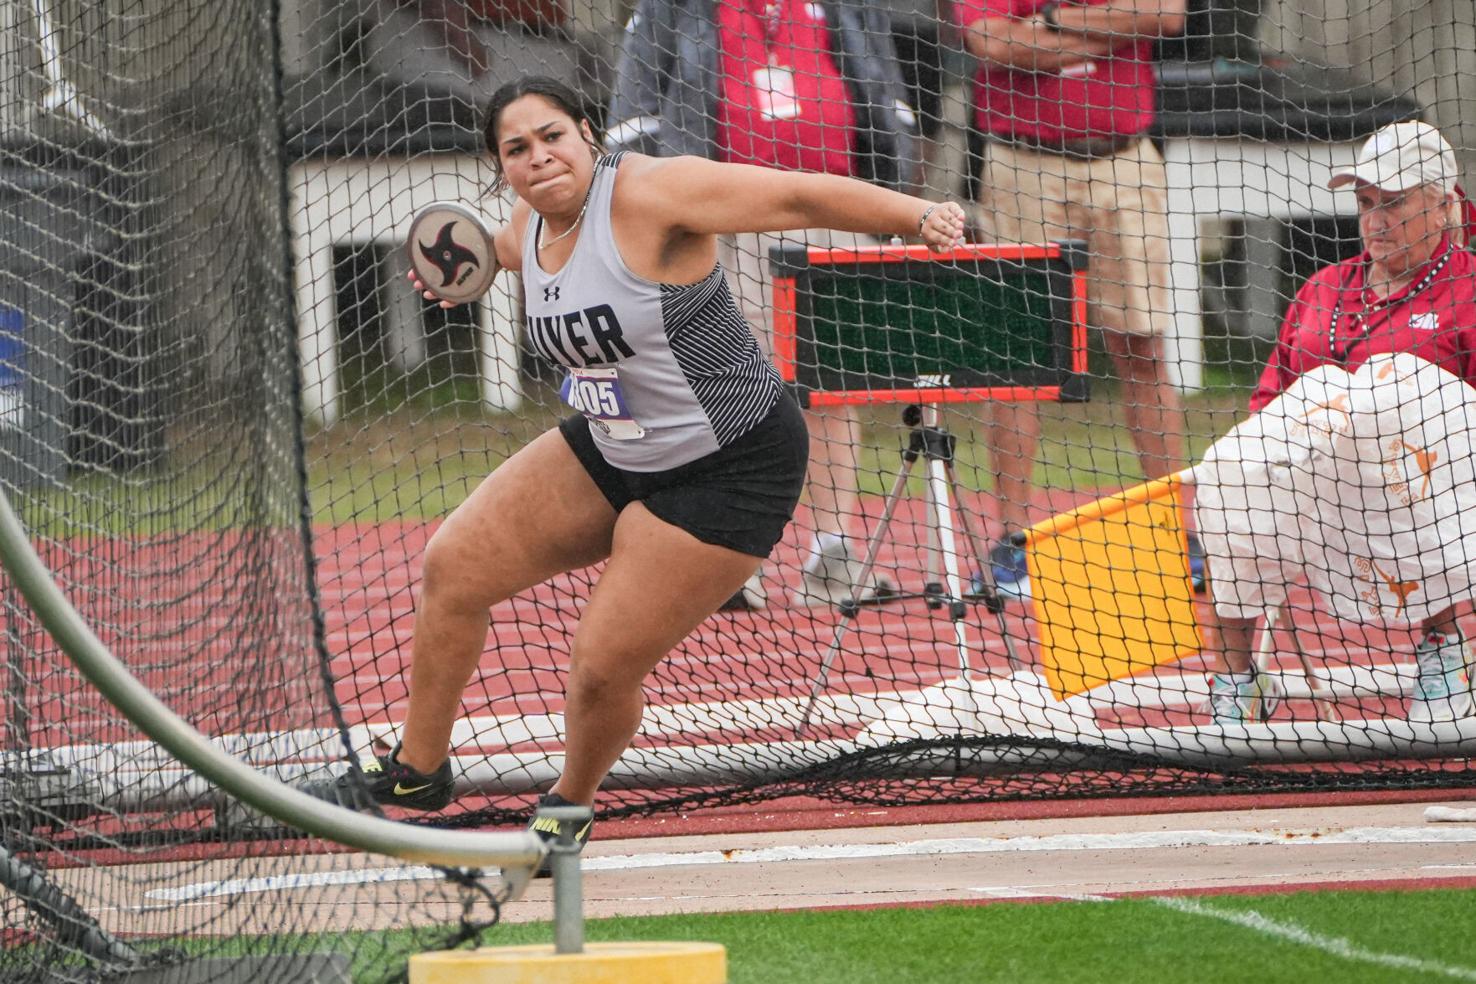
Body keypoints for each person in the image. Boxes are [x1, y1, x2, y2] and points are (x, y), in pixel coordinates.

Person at [301, 77, 968, 855]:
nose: (539, 157)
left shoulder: (656, 192)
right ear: (500, 167)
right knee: (453, 568)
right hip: (617, 442)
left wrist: (916, 217)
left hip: (730, 463)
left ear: (587, 133)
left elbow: (798, 195)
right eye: (517, 148)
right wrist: (460, 270)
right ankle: (416, 771)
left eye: (552, 136)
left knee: (599, 666)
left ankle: (568, 806)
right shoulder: (526, 225)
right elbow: (498, 255)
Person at [604, 0, 921, 608]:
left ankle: (832, 559)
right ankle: (729, 562)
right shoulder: (673, 7)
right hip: (725, 220)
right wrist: (658, 220)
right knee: (733, 388)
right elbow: (631, 116)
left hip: (835, 212)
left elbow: (888, 96)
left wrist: (892, 193)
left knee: (832, 388)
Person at [1201, 120, 1476, 724]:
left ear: (1443, 205)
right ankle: (1237, 680)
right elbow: (1271, 397)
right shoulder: (1325, 286)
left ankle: (1445, 655)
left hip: (1429, 488)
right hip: (1316, 484)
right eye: (1366, 203)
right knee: (1229, 472)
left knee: (1398, 423)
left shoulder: (1469, 290)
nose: (1376, 220)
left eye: (1394, 202)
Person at [955, 0, 1197, 601]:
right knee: (1017, 355)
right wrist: (1113, 30)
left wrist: (1053, 23)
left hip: (1125, 158)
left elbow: (1165, 15)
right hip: (1022, 163)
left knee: (1143, 346)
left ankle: (1173, 530)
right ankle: (1013, 538)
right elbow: (993, 43)